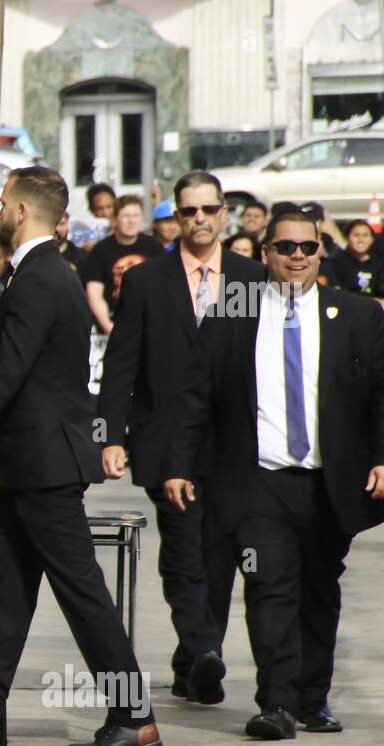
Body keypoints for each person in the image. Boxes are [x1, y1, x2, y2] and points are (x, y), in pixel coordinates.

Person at [0, 166, 162, 746]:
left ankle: (135, 717)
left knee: (82, 593)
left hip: (46, 466)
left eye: (1, 201)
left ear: (22, 211)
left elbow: (8, 379)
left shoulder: (39, 278)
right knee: (8, 593)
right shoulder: (47, 273)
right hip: (32, 463)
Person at [164, 209, 384, 739]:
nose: (297, 256)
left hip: (331, 482)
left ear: (320, 252)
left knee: (319, 591)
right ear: (265, 254)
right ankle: (273, 702)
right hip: (258, 481)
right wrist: (178, 465)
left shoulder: (358, 315)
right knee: (268, 585)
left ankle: (310, 700)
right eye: (285, 247)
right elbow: (194, 395)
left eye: (307, 247)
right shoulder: (232, 312)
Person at [98, 170, 261, 705]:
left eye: (209, 210)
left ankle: (192, 662)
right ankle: (203, 645)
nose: (199, 220)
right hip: (165, 441)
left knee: (218, 552)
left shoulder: (251, 279)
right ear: (173, 215)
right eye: (188, 211)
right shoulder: (147, 281)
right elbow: (121, 362)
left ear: (223, 214)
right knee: (185, 548)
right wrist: (110, 435)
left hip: (234, 443)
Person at [82, 194, 165, 333]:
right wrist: (109, 328)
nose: (131, 221)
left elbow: (164, 287)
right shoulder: (100, 250)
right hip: (113, 321)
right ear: (115, 218)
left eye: (135, 215)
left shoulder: (154, 247)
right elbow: (94, 294)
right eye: (126, 216)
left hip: (150, 321)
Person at [322, 219, 378, 298]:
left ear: (372, 240)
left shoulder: (378, 263)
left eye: (365, 235)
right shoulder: (336, 263)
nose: (361, 240)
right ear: (346, 238)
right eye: (356, 235)